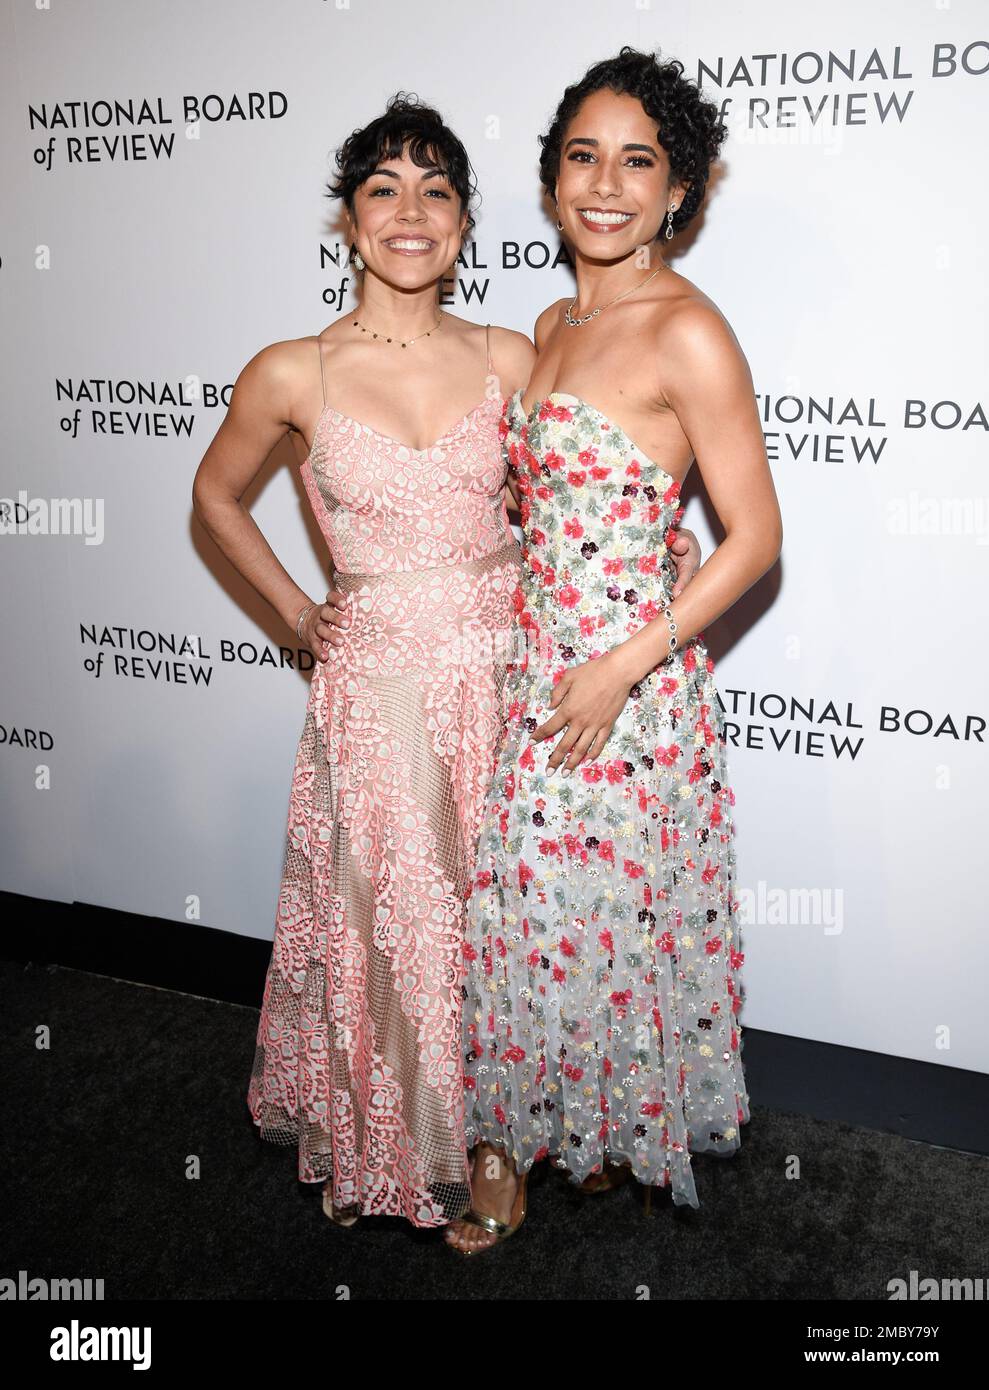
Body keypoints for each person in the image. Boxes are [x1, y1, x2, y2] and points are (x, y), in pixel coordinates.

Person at [191, 91, 707, 1228]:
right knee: (390, 915)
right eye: (384, 189)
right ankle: (390, 1136)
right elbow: (214, 498)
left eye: (437, 191)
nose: (410, 213)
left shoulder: (509, 349)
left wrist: (648, 544)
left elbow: (565, 486)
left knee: (507, 918)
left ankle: (505, 1139)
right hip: (376, 686)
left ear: (469, 224)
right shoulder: (290, 370)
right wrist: (293, 613)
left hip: (508, 670)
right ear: (349, 219)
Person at [446, 48, 783, 1254]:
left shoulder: (689, 332)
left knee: (595, 910)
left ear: (679, 190)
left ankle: (564, 1135)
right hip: (531, 660)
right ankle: (537, 1138)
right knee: (525, 912)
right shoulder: (551, 318)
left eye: (637, 161)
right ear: (549, 184)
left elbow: (753, 537)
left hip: (624, 685)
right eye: (580, 157)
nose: (605, 184)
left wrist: (625, 659)